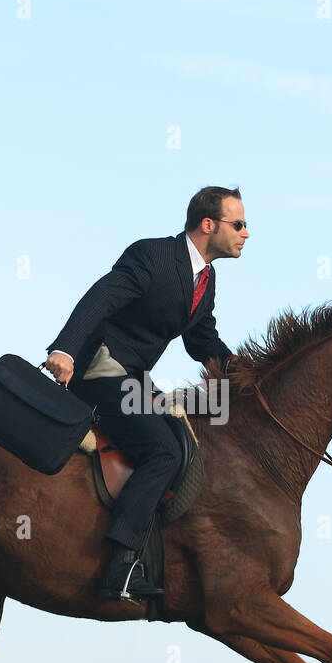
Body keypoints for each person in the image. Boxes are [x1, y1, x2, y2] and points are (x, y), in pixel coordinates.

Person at [45, 186, 247, 603]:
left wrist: (244, 373)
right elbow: (101, 298)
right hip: (99, 369)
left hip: (133, 377)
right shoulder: (153, 256)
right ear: (208, 225)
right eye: (239, 224)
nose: (246, 234)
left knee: (186, 436)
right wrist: (64, 348)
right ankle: (119, 566)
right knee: (164, 452)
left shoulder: (204, 279)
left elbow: (201, 338)